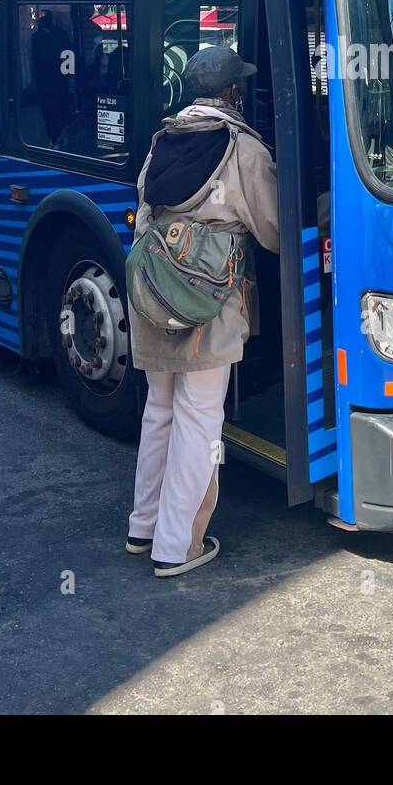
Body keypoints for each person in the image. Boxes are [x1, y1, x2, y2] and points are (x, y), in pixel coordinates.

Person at [126, 45, 279, 577]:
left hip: (154, 292)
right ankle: (177, 545)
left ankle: (143, 527)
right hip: (209, 300)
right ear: (233, 92)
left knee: (159, 410)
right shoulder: (243, 150)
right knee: (199, 421)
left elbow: (145, 207)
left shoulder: (162, 140)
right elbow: (273, 230)